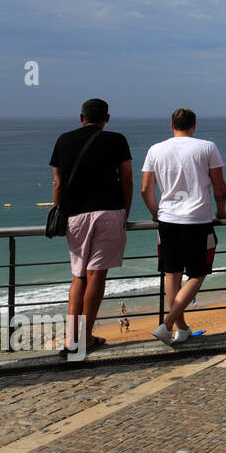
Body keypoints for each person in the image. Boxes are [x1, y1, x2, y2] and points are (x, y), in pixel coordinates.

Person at [48, 98, 133, 357]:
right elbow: (127, 180)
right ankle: (85, 338)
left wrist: (59, 211)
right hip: (109, 211)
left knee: (78, 276)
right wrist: (124, 214)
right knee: (97, 275)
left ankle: (70, 340)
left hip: (75, 215)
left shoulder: (63, 140)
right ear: (107, 118)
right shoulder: (116, 139)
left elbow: (57, 183)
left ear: (81, 117)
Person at [143, 108, 226, 346]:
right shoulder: (207, 147)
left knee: (172, 273)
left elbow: (145, 189)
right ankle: (169, 324)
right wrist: (221, 211)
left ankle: (181, 330)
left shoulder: (155, 149)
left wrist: (155, 213)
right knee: (199, 272)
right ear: (194, 126)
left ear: (171, 126)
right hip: (198, 220)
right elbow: (219, 185)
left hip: (167, 221)